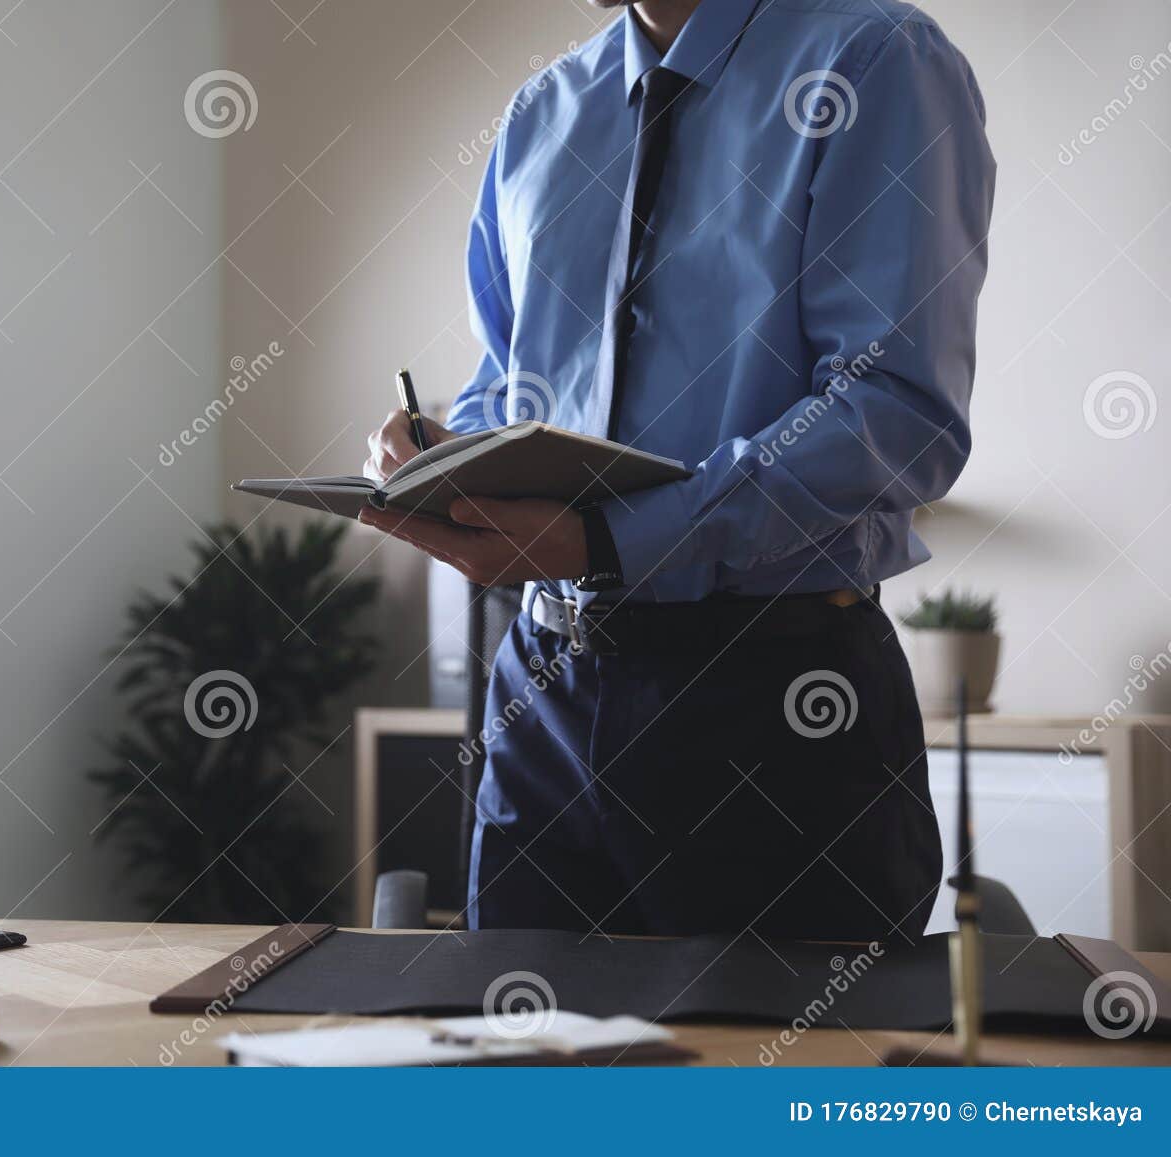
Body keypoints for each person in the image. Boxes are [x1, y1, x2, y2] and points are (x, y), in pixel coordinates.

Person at [359, 0, 995, 940]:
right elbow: (511, 386)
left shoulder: (877, 60)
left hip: (774, 706)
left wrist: (615, 539)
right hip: (542, 694)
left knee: (771, 1083)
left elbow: (895, 409)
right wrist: (445, 456)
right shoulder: (543, 112)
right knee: (522, 1071)